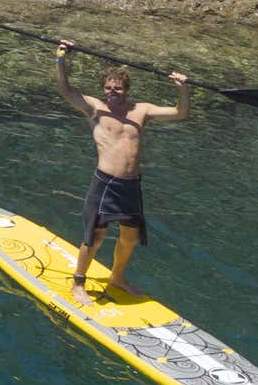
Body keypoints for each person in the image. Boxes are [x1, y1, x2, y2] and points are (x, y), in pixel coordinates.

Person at [53, 40, 190, 305]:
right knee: (95, 236)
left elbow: (180, 113)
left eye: (117, 87)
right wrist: (61, 60)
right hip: (105, 183)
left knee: (130, 236)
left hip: (131, 184)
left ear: (126, 89)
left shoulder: (142, 110)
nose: (112, 92)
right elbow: (65, 90)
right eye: (108, 87)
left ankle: (117, 278)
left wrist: (182, 89)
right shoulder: (95, 108)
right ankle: (78, 282)